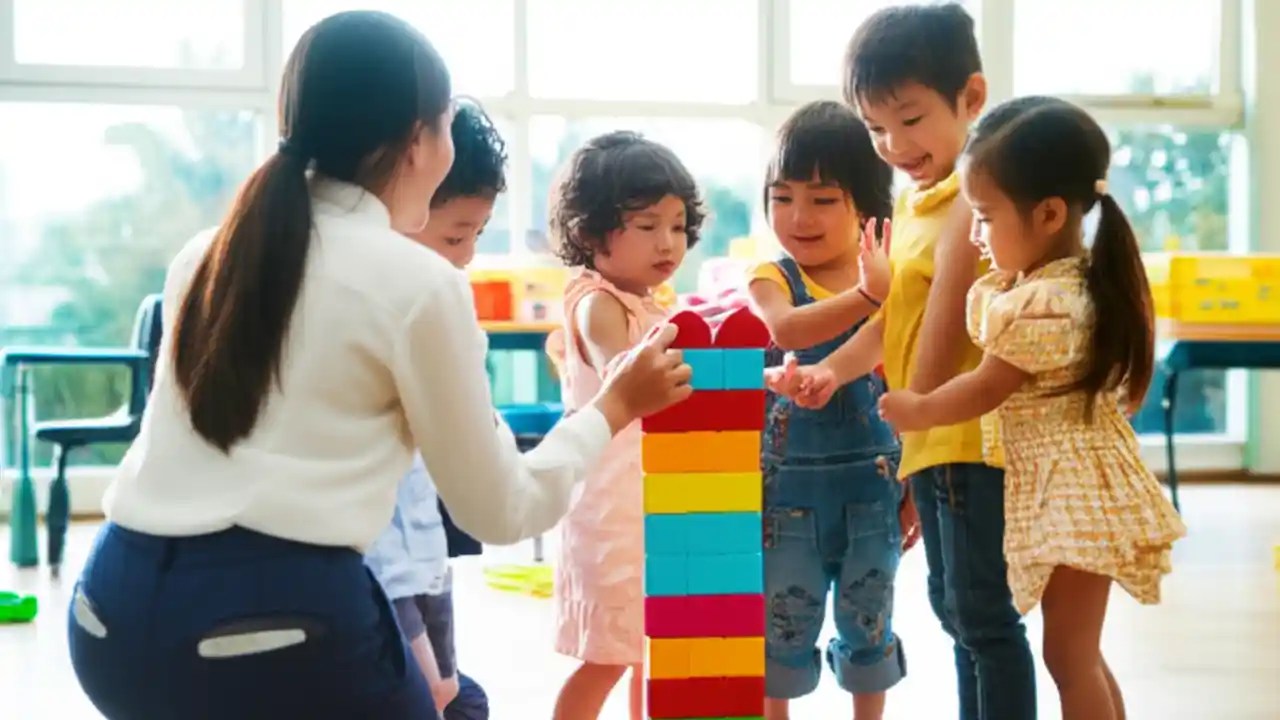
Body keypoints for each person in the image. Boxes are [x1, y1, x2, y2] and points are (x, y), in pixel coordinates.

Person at [65, 11, 691, 720]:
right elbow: (503, 507)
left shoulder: (206, 252)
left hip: (106, 615)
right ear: (419, 139)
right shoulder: (417, 285)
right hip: (268, 632)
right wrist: (612, 406)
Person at [878, 95, 1187, 720]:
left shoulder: (1046, 303)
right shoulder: (1062, 285)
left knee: (1069, 660)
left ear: (1048, 214)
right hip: (1074, 490)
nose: (975, 235)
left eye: (986, 218)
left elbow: (986, 386)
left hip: (1073, 499)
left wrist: (919, 408)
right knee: (1080, 656)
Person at [768, 5, 1038, 719]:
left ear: (971, 98)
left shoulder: (973, 198)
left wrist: (910, 403)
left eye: (910, 120)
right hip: (932, 438)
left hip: (970, 439)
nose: (892, 143)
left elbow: (947, 322)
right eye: (876, 126)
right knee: (958, 613)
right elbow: (898, 320)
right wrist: (836, 372)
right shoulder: (919, 200)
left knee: (983, 617)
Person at [745, 101, 906, 720]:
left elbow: (903, 380)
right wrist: (869, 296)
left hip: (874, 489)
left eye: (822, 198)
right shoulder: (773, 276)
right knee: (783, 626)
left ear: (866, 206)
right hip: (787, 498)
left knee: (872, 621)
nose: (798, 217)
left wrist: (912, 482)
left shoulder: (897, 280)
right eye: (782, 197)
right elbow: (785, 326)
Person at [546, 131, 704, 720]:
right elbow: (621, 367)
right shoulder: (598, 300)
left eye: (677, 225)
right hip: (613, 512)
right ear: (590, 234)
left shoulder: (653, 300)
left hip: (652, 503)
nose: (668, 242)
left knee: (651, 647)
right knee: (609, 655)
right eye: (646, 226)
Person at [364, 98, 508, 720]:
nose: (468, 254)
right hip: (381, 564)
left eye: (478, 235)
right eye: (457, 235)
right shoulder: (383, 302)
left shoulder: (434, 299)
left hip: (422, 555)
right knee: (450, 698)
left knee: (456, 692)